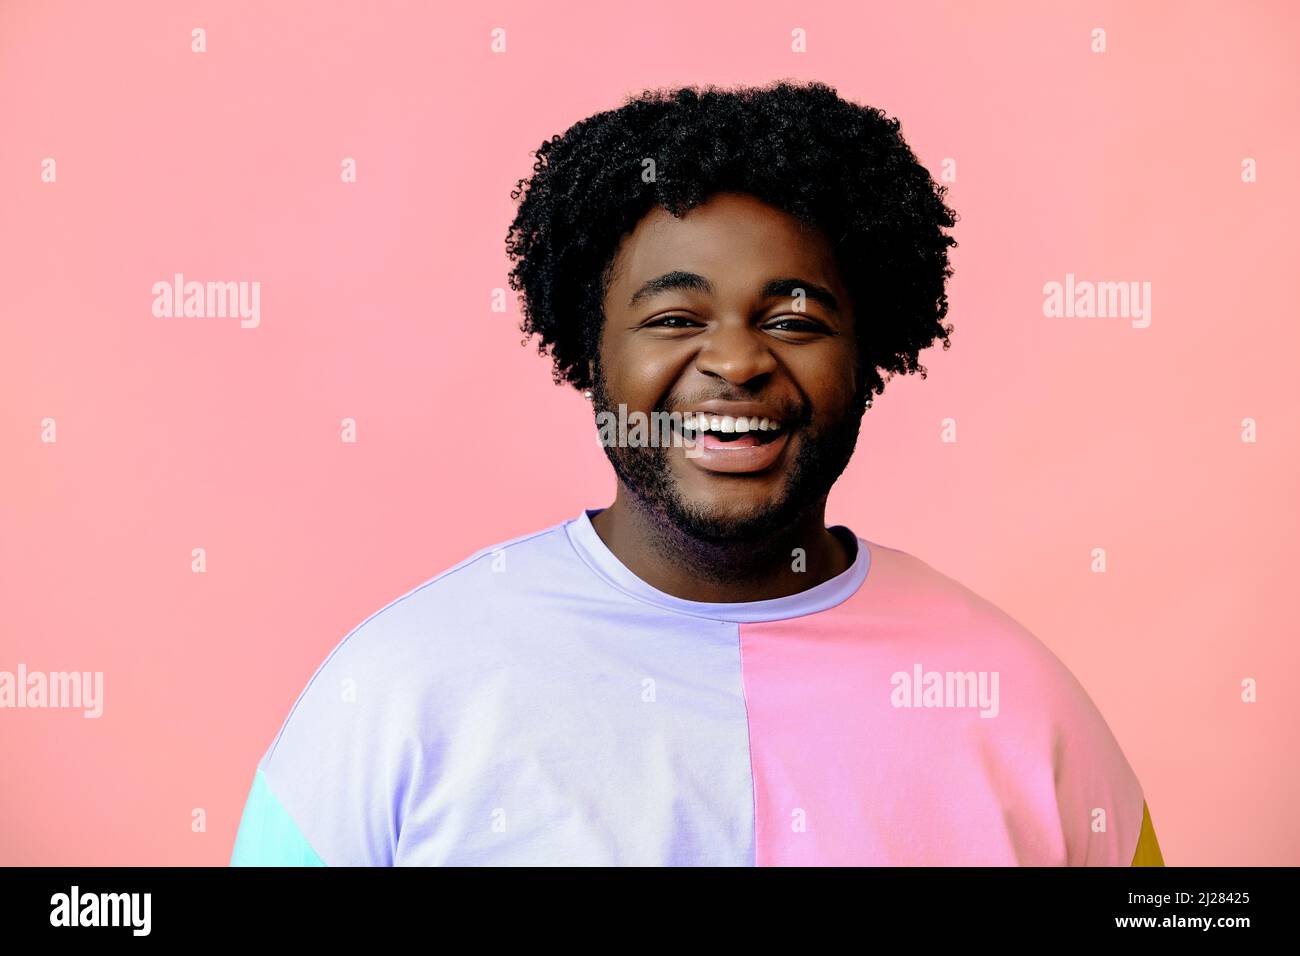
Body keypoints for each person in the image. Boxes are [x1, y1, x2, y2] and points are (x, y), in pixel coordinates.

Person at [231, 80, 1163, 866]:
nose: (738, 363)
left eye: (794, 320)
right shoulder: (399, 690)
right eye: (675, 318)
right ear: (588, 352)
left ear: (870, 356)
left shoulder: (1017, 703)